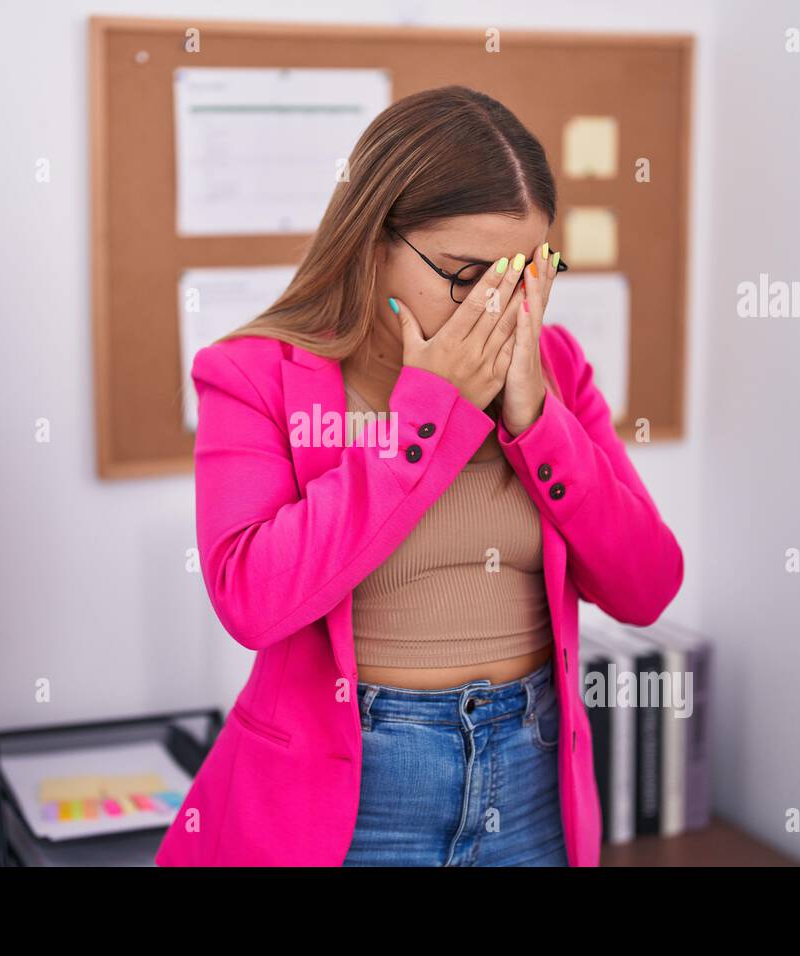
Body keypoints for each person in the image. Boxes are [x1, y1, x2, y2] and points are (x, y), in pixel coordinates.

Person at [154, 85, 684, 867]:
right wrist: (424, 418)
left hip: (530, 772)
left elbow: (647, 586)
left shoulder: (556, 367)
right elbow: (254, 603)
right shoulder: (253, 374)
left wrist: (541, 424)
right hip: (356, 790)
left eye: (525, 274)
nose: (501, 309)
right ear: (374, 239)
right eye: (468, 275)